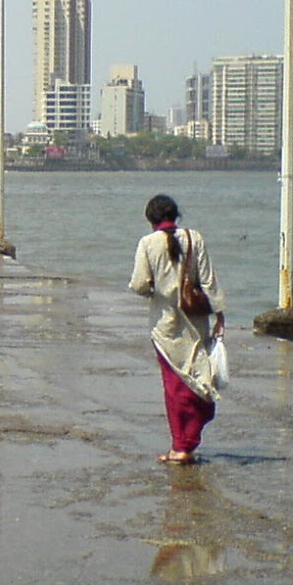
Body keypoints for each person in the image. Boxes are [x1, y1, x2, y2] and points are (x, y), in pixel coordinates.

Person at [128, 194, 226, 465]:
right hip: (195, 322)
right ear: (176, 215)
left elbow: (139, 284)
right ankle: (187, 442)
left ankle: (180, 446)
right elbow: (209, 282)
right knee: (198, 378)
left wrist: (155, 290)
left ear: (151, 219)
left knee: (174, 386)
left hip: (165, 325)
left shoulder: (147, 243)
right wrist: (220, 315)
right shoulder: (195, 238)